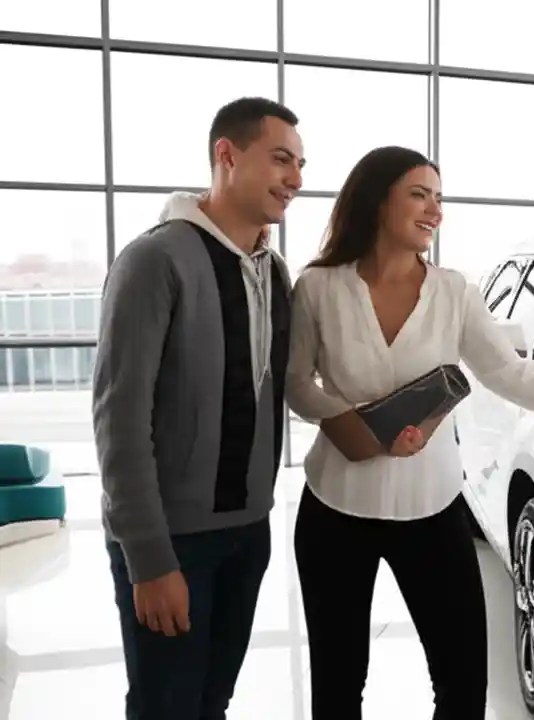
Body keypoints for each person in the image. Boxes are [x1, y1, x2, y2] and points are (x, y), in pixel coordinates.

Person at [284, 145, 534, 719]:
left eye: (439, 198)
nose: (434, 210)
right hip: (336, 509)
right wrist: (344, 423)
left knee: (463, 686)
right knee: (338, 689)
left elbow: (513, 376)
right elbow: (296, 382)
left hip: (432, 508)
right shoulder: (318, 287)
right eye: (419, 194)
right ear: (376, 200)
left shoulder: (454, 291)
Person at [92, 96, 304, 719]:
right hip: (173, 541)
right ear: (227, 155)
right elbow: (118, 420)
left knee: (213, 701)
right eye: (281, 159)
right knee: (166, 707)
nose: (296, 179)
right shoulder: (153, 260)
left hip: (247, 532)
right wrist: (150, 560)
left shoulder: (274, 272)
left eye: (300, 164)